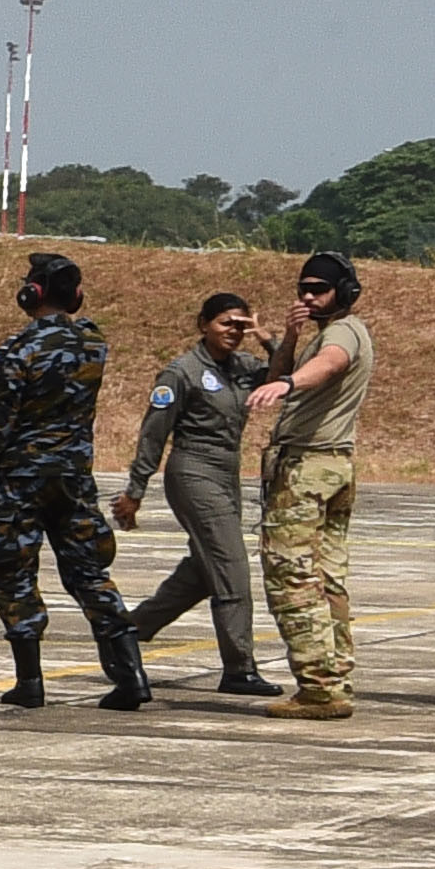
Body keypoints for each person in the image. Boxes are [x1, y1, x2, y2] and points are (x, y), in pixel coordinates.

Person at [0, 252, 154, 711]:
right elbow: (57, 351)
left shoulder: (18, 349)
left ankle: (30, 682)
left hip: (21, 480)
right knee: (90, 574)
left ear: (31, 294)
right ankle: (131, 676)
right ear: (75, 297)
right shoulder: (93, 342)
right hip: (74, 479)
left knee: (13, 573)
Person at [112, 289, 279, 696]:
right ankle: (239, 668)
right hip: (192, 470)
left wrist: (268, 338)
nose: (233, 333)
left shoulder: (242, 366)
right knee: (232, 567)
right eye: (226, 324)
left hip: (228, 472)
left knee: (206, 571)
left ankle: (128, 632)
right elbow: (154, 434)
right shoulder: (181, 372)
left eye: (240, 326)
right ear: (203, 325)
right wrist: (136, 490)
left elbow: (287, 377)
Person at [241, 249, 373, 719]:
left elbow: (331, 364)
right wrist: (288, 336)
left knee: (291, 576)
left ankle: (319, 687)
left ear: (345, 292)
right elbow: (279, 371)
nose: (309, 296)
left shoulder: (341, 333)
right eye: (304, 289)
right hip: (330, 466)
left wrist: (291, 385)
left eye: (319, 289)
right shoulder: (318, 333)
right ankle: (335, 676)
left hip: (308, 469)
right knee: (327, 577)